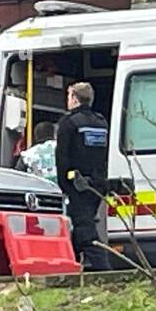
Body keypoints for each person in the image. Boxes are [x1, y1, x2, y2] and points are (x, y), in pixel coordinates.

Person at [55, 82, 111, 271]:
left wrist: (64, 186)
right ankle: (71, 267)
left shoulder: (69, 123)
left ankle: (104, 269)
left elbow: (62, 158)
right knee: (80, 226)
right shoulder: (101, 122)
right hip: (97, 184)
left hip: (76, 185)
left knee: (83, 230)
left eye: (69, 96)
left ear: (74, 99)